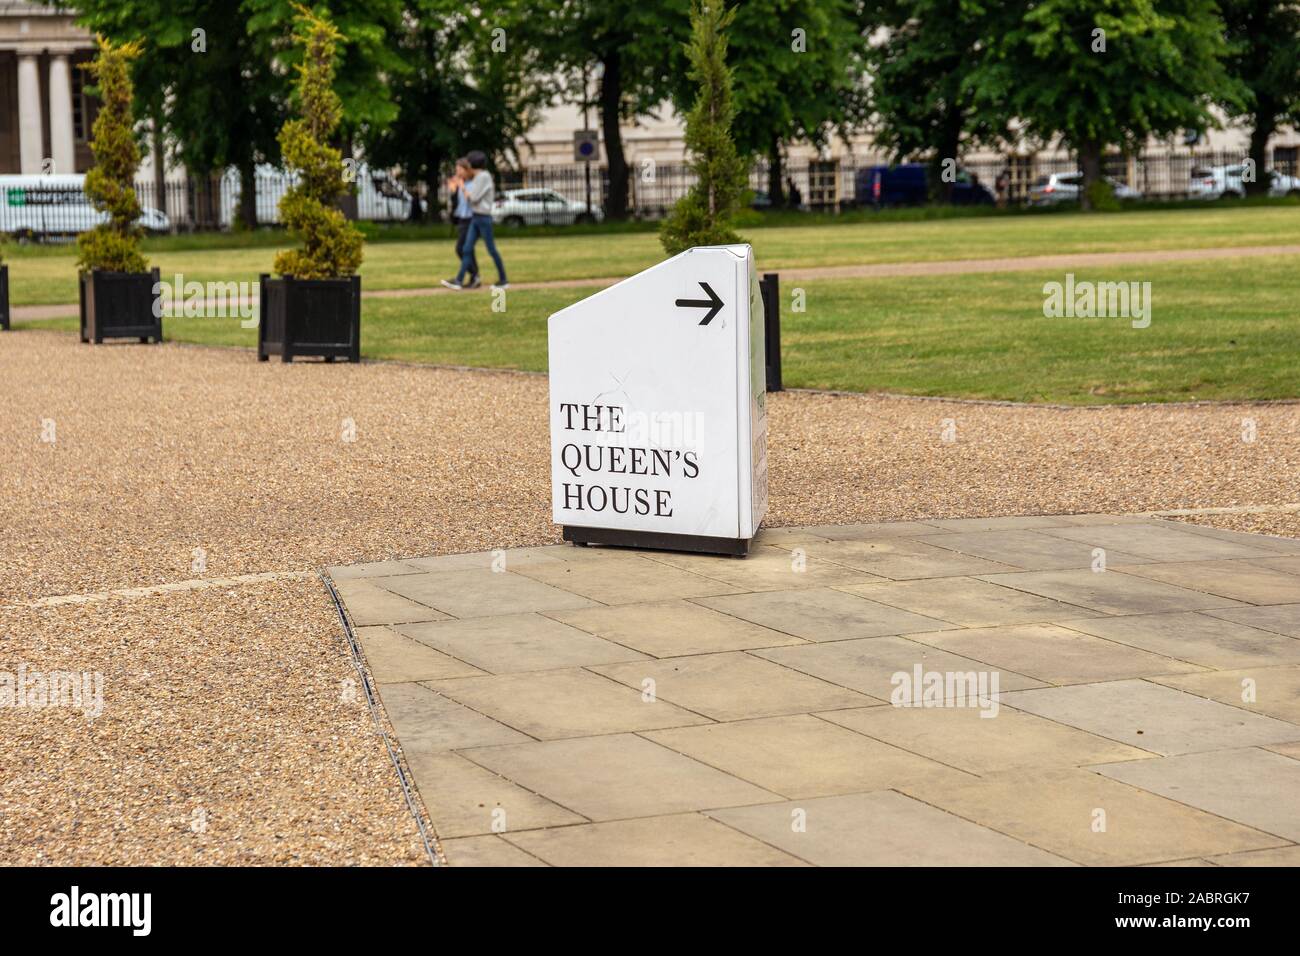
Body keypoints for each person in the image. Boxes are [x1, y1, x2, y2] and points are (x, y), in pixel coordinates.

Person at [441, 150, 507, 291]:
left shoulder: (483, 176)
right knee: (466, 249)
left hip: (483, 218)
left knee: (491, 250)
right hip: (476, 217)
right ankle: (459, 280)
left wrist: (463, 187)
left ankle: (503, 279)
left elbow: (473, 198)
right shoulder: (479, 177)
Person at [447, 158, 480, 289]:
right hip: (462, 219)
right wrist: (453, 191)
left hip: (471, 220)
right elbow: (456, 204)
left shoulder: (472, 184)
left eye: (459, 169)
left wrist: (461, 186)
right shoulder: (463, 183)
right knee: (468, 250)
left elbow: (472, 201)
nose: (457, 172)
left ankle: (474, 275)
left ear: (467, 170)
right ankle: (474, 277)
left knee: (461, 249)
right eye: (457, 169)